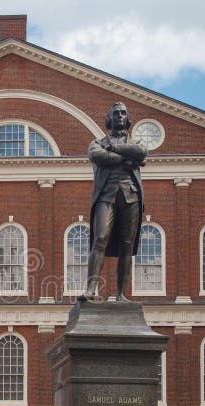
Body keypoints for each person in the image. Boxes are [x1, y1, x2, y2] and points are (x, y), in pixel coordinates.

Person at [82, 101, 147, 301]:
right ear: (109, 118)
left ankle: (121, 295)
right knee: (100, 237)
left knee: (127, 244)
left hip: (131, 194)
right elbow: (96, 155)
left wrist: (115, 150)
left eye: (123, 113)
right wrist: (124, 159)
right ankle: (91, 289)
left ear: (127, 119)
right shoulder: (98, 143)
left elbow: (141, 153)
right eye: (116, 113)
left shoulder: (135, 143)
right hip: (106, 195)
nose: (119, 116)